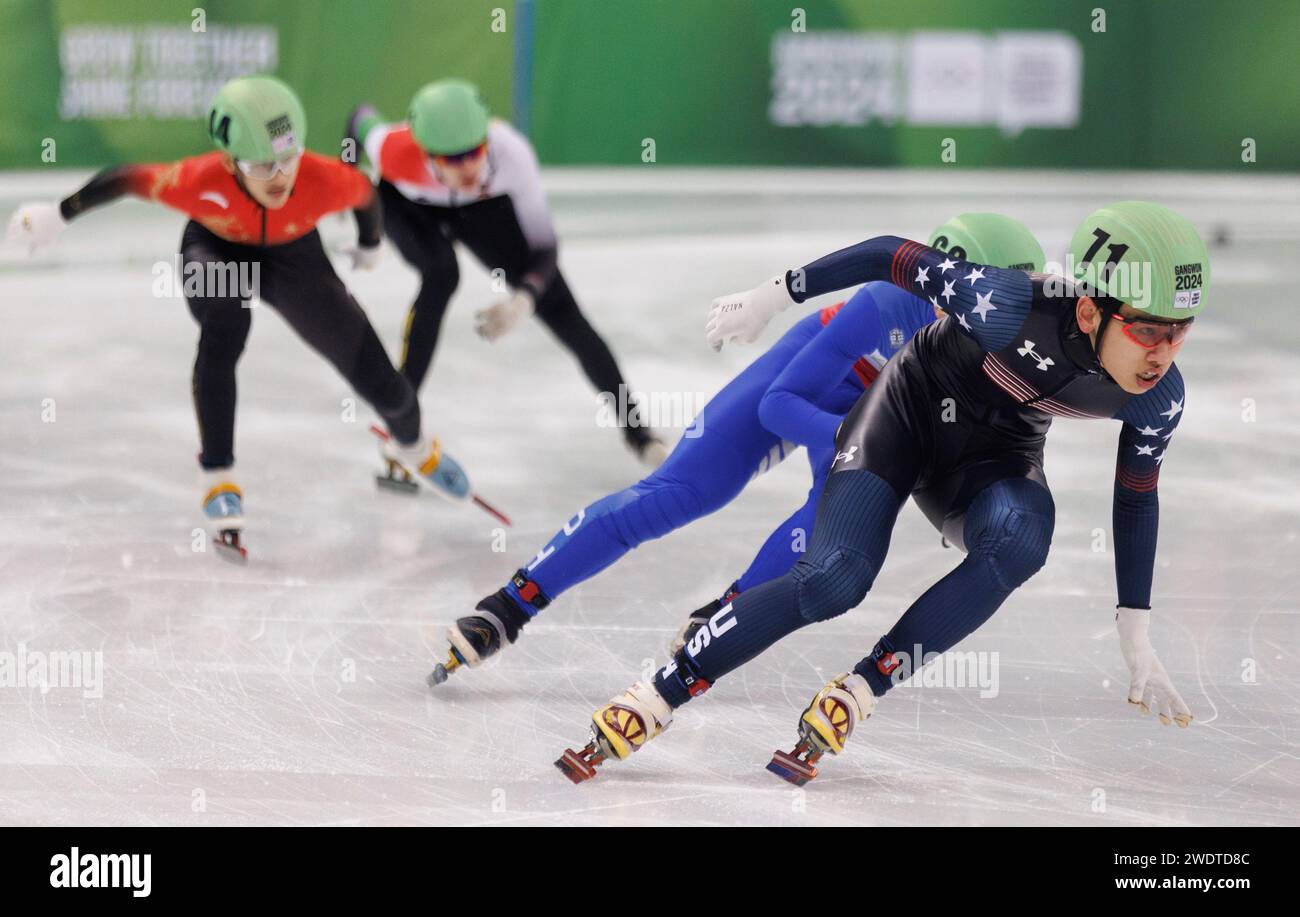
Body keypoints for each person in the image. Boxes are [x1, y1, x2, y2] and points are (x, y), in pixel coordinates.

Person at [556, 201, 1203, 785]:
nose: (1163, 354)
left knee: (1023, 536)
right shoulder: (1005, 302)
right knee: (833, 579)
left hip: (989, 459)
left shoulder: (1159, 399)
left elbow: (1136, 497)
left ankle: (864, 686)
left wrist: (1135, 631)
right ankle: (659, 692)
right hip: (902, 416)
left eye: (1181, 331)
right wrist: (774, 294)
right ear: (1089, 310)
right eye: (1148, 330)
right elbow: (888, 254)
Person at [424, 213, 1044, 686]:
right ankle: (510, 604)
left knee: (825, 526)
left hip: (881, 412)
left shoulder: (1014, 338)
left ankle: (726, 610)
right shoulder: (887, 300)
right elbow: (780, 403)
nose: (988, 326)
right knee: (676, 495)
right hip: (815, 393)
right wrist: (861, 438)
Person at [5, 75, 468, 559]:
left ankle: (413, 449)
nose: (280, 176)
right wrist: (58, 215)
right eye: (262, 165)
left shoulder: (321, 177)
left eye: (289, 158)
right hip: (215, 248)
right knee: (227, 320)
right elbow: (124, 179)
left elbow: (367, 197)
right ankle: (218, 476)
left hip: (295, 258)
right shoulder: (197, 181)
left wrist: (372, 244)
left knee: (388, 389)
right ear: (229, 162)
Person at [345, 79, 665, 466]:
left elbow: (545, 246)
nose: (467, 167)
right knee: (441, 275)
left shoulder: (513, 155)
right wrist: (349, 200)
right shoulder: (394, 149)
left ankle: (639, 433)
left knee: (562, 310)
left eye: (475, 152)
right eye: (451, 159)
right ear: (426, 152)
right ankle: (403, 415)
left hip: (482, 210)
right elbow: (359, 118)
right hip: (408, 207)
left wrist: (524, 299)